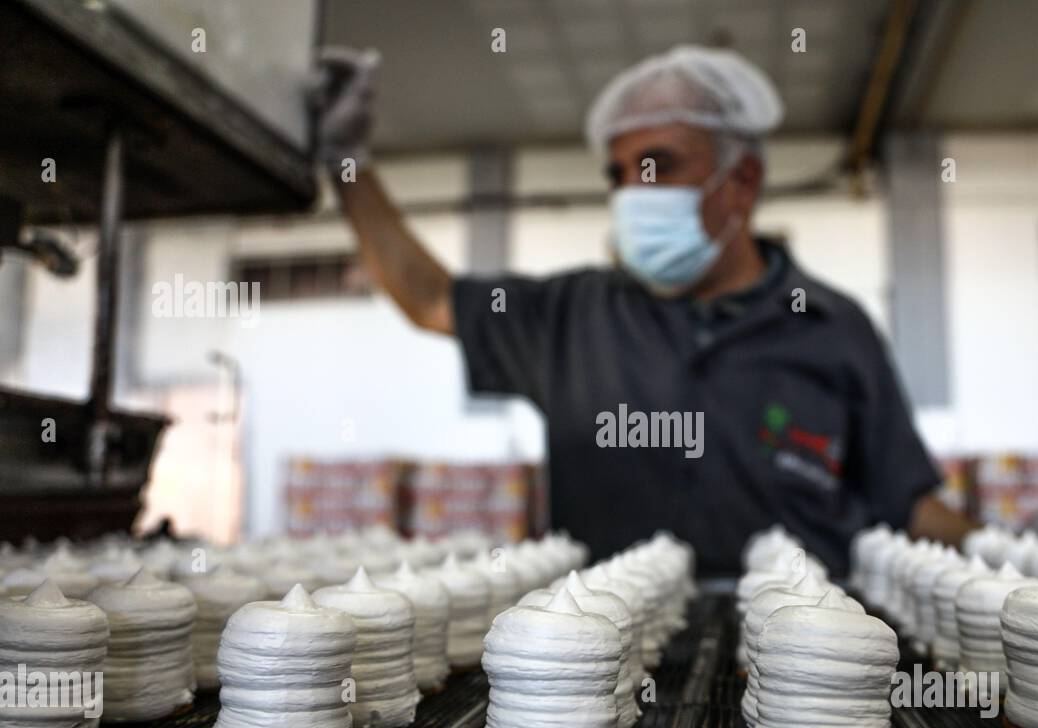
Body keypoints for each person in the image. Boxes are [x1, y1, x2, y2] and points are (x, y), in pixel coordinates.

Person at [312, 45, 976, 576]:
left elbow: (907, 505)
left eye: (657, 165)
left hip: (804, 671)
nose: (634, 192)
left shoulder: (834, 328)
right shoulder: (568, 317)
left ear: (741, 182)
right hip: (611, 681)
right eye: (620, 174)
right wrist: (346, 163)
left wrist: (1015, 563)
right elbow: (428, 297)